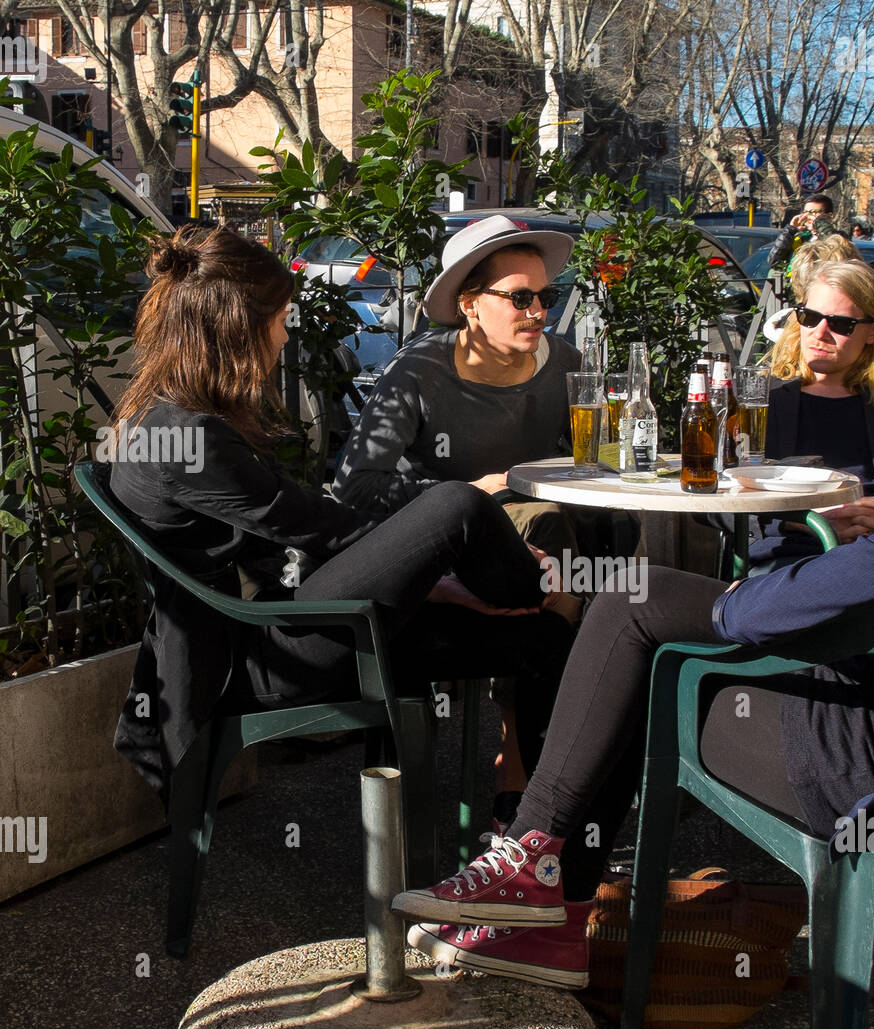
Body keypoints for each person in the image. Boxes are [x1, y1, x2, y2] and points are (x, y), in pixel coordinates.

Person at [394, 278, 874, 989]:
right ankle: (541, 898)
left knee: (637, 618)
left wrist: (800, 548)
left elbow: (756, 612)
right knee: (637, 636)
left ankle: (531, 881)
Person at [108, 226, 574, 809]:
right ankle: (535, 586)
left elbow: (307, 532)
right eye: (278, 319)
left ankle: (535, 831)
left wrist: (438, 581)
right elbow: (320, 527)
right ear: (237, 326)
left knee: (542, 638)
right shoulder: (187, 439)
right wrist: (439, 569)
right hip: (261, 654)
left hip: (287, 619)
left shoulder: (172, 419)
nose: (282, 336)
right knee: (459, 505)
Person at [333, 216, 588, 822]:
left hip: (539, 533)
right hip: (443, 545)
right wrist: (466, 490)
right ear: (470, 305)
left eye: (546, 297)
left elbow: (591, 463)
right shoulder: (421, 370)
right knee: (557, 552)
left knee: (580, 535)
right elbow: (354, 485)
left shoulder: (568, 365)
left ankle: (527, 767)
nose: (538, 312)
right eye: (520, 297)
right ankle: (538, 787)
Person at [752, 261, 874, 571]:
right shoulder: (762, 401)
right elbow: (711, 496)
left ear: (873, 331)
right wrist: (796, 523)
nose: (819, 333)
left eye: (841, 324)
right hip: (791, 553)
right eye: (810, 317)